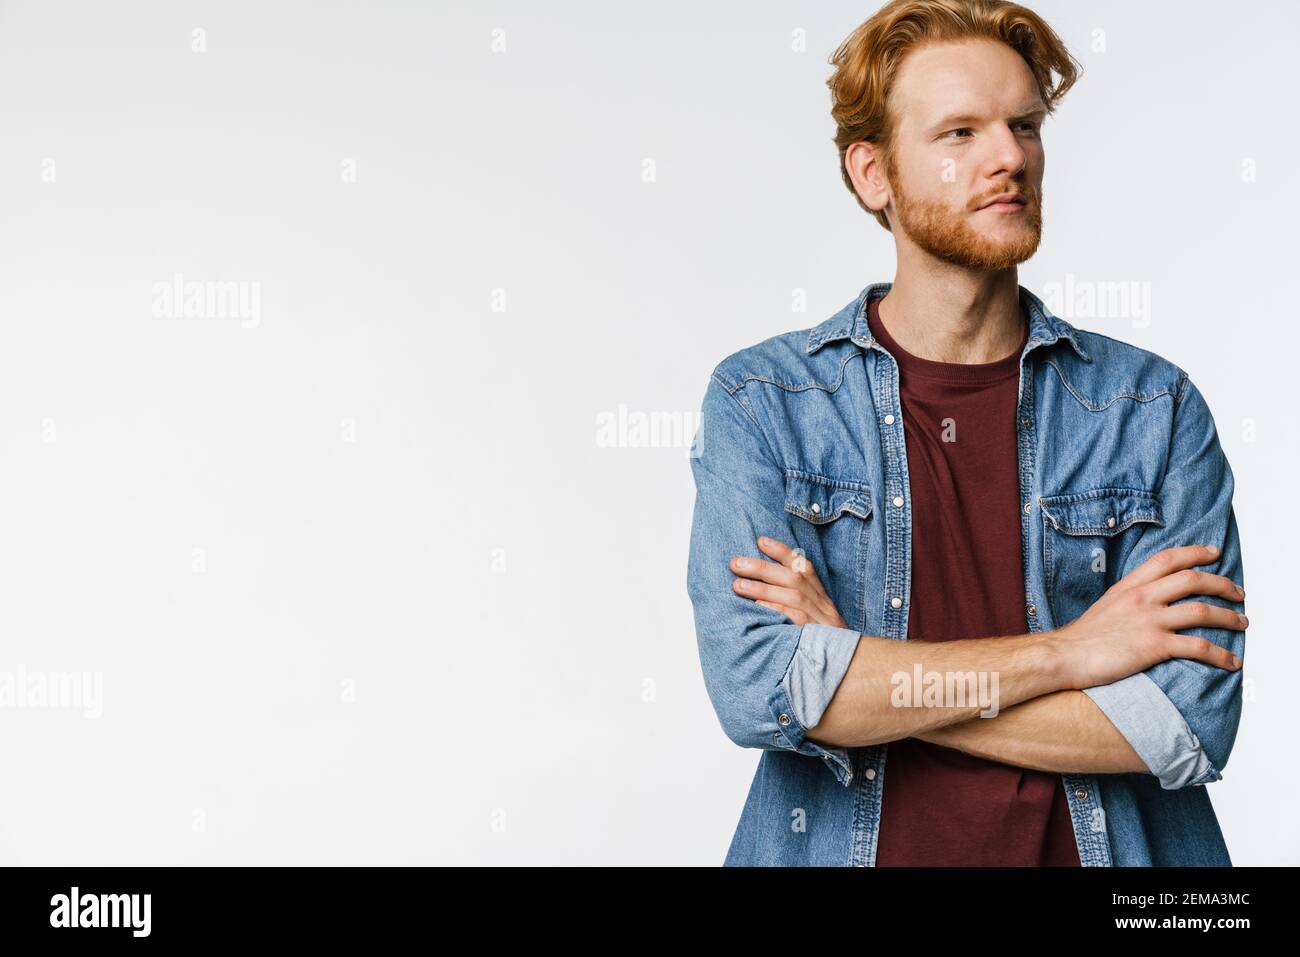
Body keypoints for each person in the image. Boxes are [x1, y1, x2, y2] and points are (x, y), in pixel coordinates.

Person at [685, 0, 1247, 866]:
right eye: (959, 132)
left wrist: (872, 683)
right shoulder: (768, 402)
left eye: (1024, 125)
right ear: (873, 174)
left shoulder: (1150, 409)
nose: (1008, 157)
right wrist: (1071, 653)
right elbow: (763, 692)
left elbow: (1184, 726)